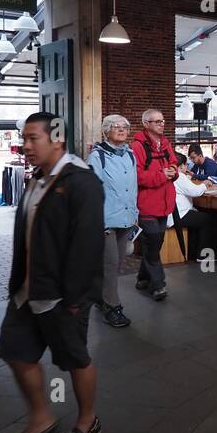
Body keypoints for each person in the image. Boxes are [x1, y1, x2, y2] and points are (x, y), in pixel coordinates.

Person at [0, 112, 104, 433]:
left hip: (62, 296)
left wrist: (74, 299)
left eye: (32, 139)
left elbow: (87, 245)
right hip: (27, 291)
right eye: (23, 139)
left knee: (75, 359)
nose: (25, 146)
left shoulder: (81, 182)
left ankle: (88, 420)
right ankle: (41, 419)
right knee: (15, 352)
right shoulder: (37, 180)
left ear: (57, 138)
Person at [88, 114, 138, 328]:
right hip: (106, 220)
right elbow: (91, 192)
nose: (121, 129)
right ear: (105, 131)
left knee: (116, 264)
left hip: (126, 218)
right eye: (115, 126)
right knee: (110, 264)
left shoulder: (130, 155)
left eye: (124, 127)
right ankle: (112, 306)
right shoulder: (97, 157)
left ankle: (100, 296)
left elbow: (132, 187)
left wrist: (134, 214)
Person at [132, 108, 179, 302]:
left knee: (155, 244)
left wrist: (173, 171)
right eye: (157, 121)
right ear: (146, 124)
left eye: (162, 120)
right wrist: (162, 175)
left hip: (165, 203)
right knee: (153, 243)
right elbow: (137, 176)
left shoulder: (166, 144)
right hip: (147, 205)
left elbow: (174, 163)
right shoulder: (137, 147)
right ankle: (158, 285)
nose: (162, 124)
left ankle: (142, 278)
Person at [171, 164, 217, 262]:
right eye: (186, 165)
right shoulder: (179, 176)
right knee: (207, 219)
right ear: (181, 166)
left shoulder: (171, 175)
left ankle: (194, 253)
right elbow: (194, 191)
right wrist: (204, 184)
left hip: (175, 213)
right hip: (179, 214)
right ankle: (203, 255)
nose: (187, 168)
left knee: (200, 217)